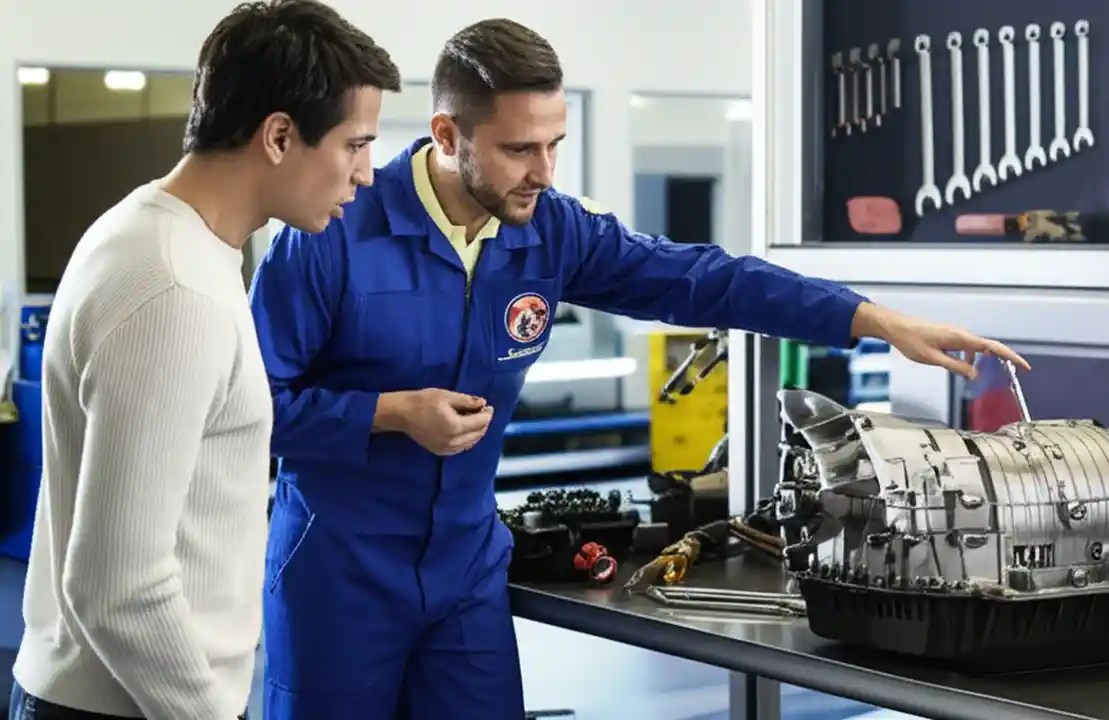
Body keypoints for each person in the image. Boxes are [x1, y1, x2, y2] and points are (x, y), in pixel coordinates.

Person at [248, 17, 1030, 720]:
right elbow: (253, 410)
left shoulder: (549, 231)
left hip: (462, 573)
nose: (545, 172)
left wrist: (872, 320)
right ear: (448, 134)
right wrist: (390, 412)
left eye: (555, 143)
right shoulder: (330, 232)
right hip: (338, 573)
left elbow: (705, 277)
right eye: (519, 148)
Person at [10, 2, 401, 719]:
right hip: (129, 705)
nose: (367, 175)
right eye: (354, 145)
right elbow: (117, 587)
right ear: (279, 135)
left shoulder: (152, 233)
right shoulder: (174, 290)